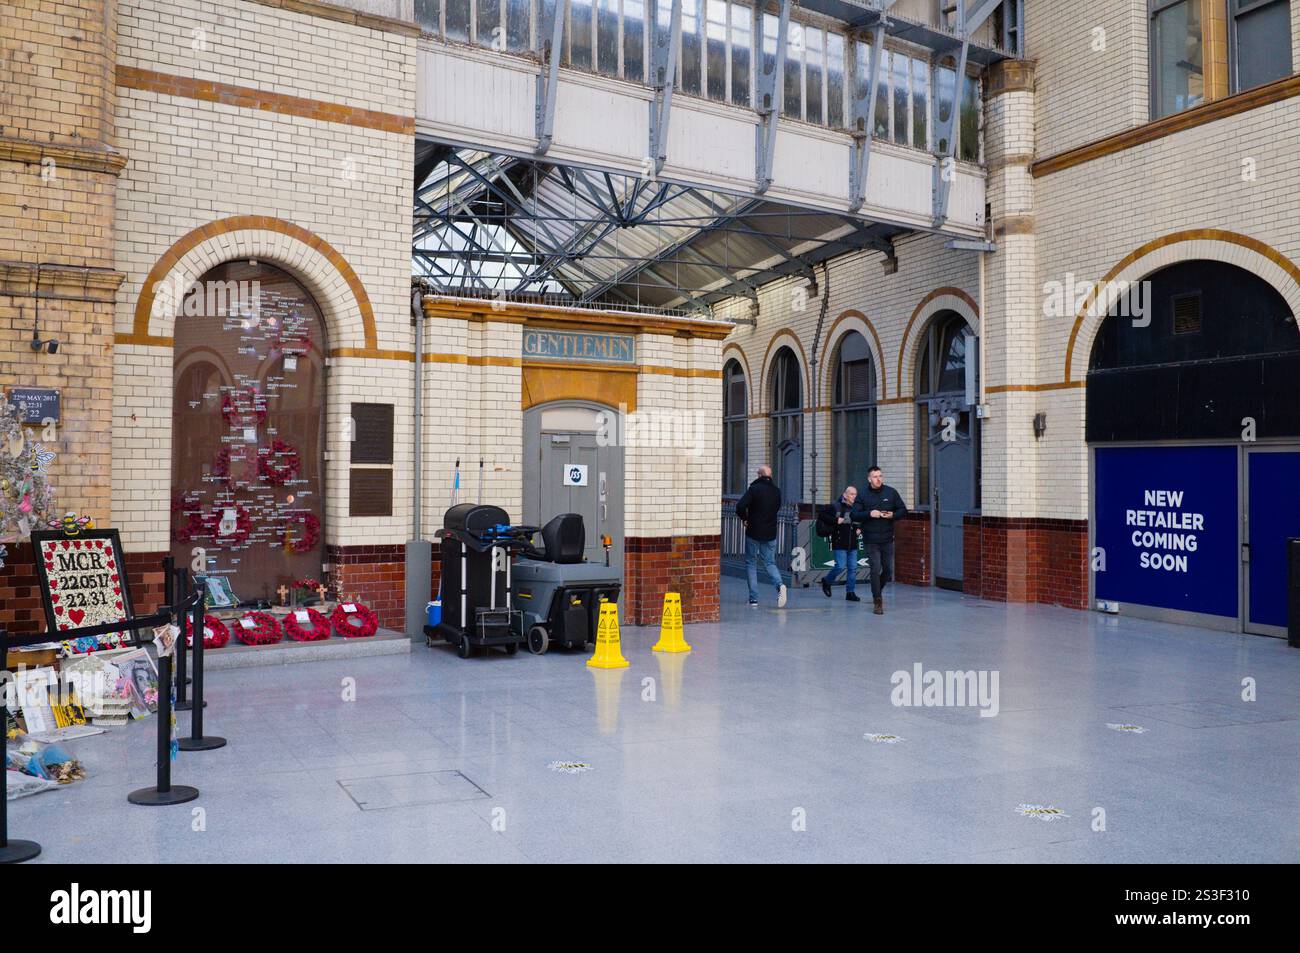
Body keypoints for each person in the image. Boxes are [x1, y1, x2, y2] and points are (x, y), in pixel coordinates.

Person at [852, 466, 908, 614]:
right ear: (869, 479)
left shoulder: (891, 492)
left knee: (888, 570)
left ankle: (877, 589)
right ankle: (877, 600)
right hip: (871, 538)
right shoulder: (863, 494)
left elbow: (903, 510)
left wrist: (892, 515)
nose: (878, 479)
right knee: (875, 569)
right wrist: (870, 513)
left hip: (887, 538)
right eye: (875, 477)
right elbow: (854, 515)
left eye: (880, 476)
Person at [735, 464, 787, 608]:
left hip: (753, 531)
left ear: (759, 475)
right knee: (770, 562)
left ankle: (753, 599)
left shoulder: (754, 489)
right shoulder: (777, 491)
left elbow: (740, 506)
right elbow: (776, 508)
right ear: (770, 476)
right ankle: (780, 585)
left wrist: (745, 519)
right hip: (770, 532)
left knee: (751, 563)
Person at [816, 485, 862, 602]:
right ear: (845, 495)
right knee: (840, 566)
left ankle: (850, 592)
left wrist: (859, 528)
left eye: (855, 494)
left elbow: (860, 520)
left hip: (852, 542)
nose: (854, 496)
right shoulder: (835, 506)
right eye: (851, 494)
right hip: (839, 541)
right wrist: (836, 520)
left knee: (852, 568)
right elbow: (822, 515)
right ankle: (827, 581)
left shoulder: (857, 508)